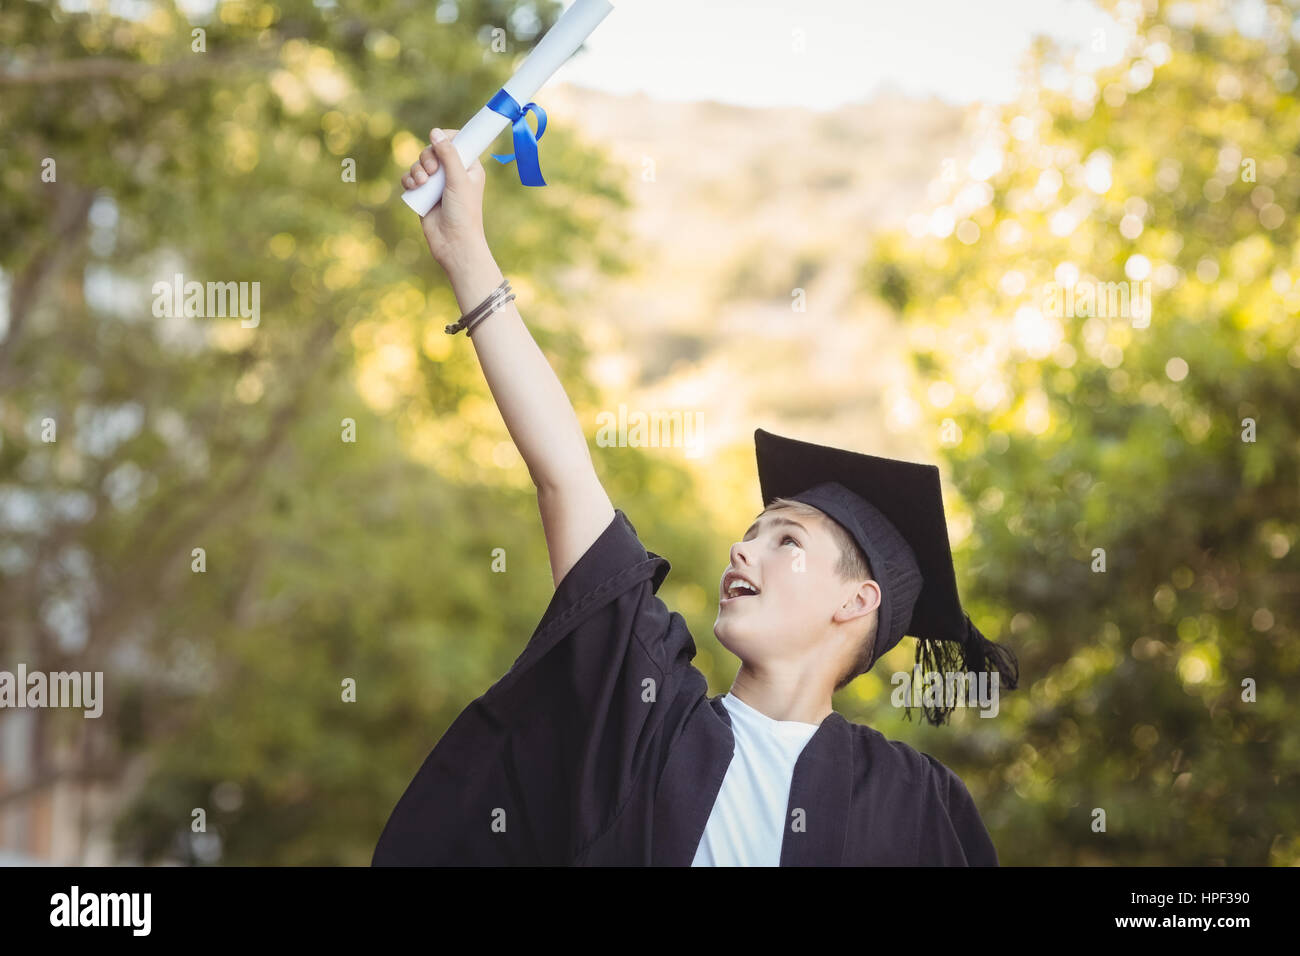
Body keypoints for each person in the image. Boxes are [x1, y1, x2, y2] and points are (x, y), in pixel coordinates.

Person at [373, 128, 1019, 866]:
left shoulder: (918, 805)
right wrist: (465, 253)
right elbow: (564, 474)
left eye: (787, 540)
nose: (743, 548)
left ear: (857, 601)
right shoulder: (647, 721)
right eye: (754, 529)